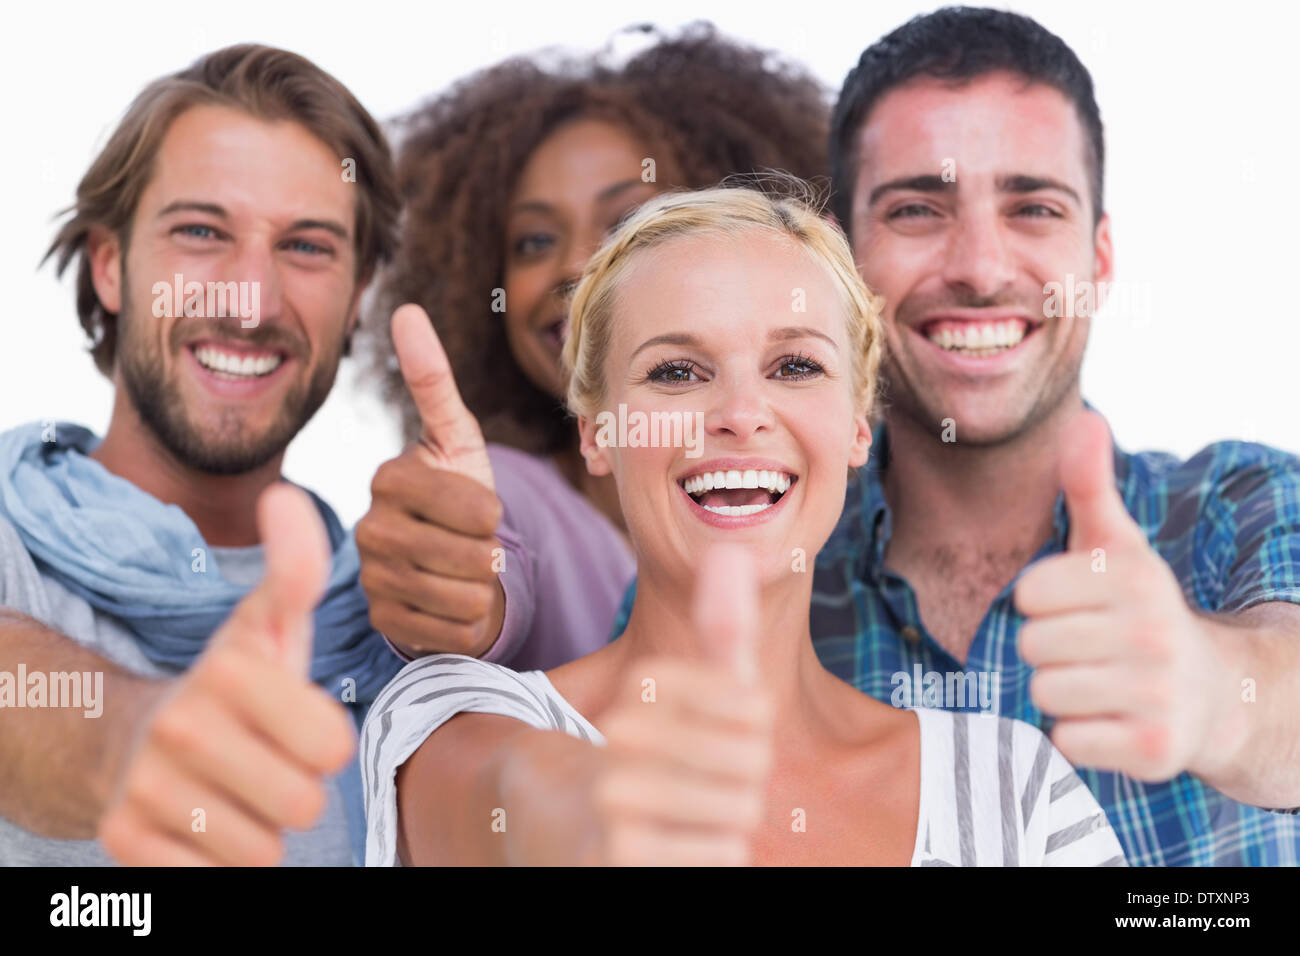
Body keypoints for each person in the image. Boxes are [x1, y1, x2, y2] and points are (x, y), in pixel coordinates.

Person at [360, 185, 1126, 866]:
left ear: (858, 426)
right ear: (598, 433)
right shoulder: (448, 715)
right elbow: (515, 803)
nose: (738, 416)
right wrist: (598, 815)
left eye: (794, 367)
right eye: (675, 372)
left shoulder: (1011, 786)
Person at [805, 6, 1300, 865]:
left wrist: (1214, 689)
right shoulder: (756, 563)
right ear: (844, 261)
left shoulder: (1239, 503)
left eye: (1033, 207)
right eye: (919, 209)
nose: (982, 268)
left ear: (1099, 260)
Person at [0, 45, 404, 865]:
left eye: (308, 247)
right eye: (200, 231)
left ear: (357, 292)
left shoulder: (398, 620)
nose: (249, 300)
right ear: (111, 266)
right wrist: (134, 741)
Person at [354, 22, 831, 671]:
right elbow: (484, 569)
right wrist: (457, 594)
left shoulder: (816, 485)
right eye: (533, 241)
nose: (578, 266)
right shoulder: (507, 491)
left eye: (627, 223)